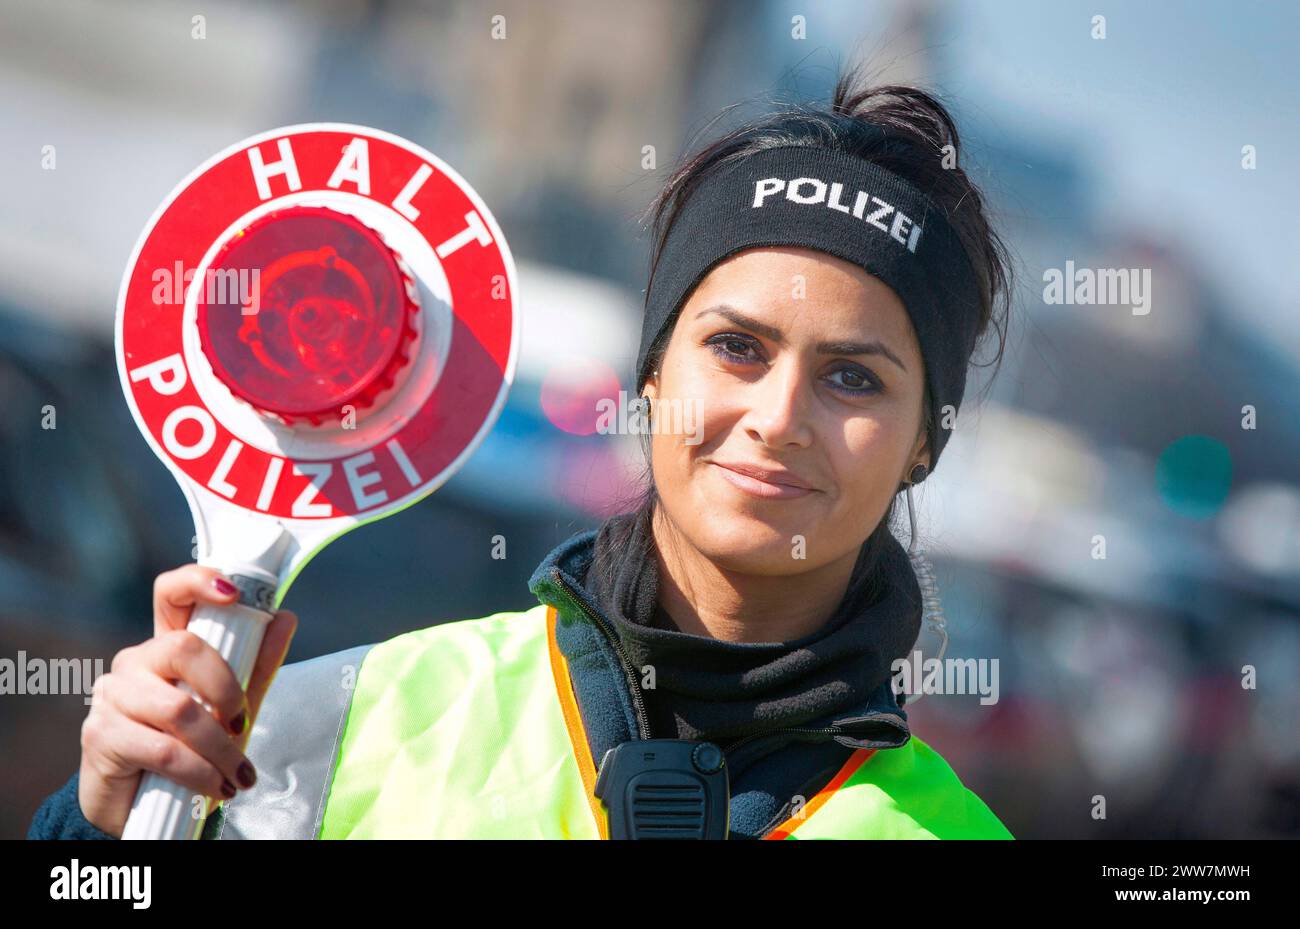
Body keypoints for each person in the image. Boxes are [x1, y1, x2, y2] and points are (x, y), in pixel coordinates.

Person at [29, 67, 1015, 840]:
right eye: (735, 346)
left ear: (924, 440)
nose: (779, 414)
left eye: (853, 377)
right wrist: (106, 823)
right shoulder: (333, 723)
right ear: (650, 378)